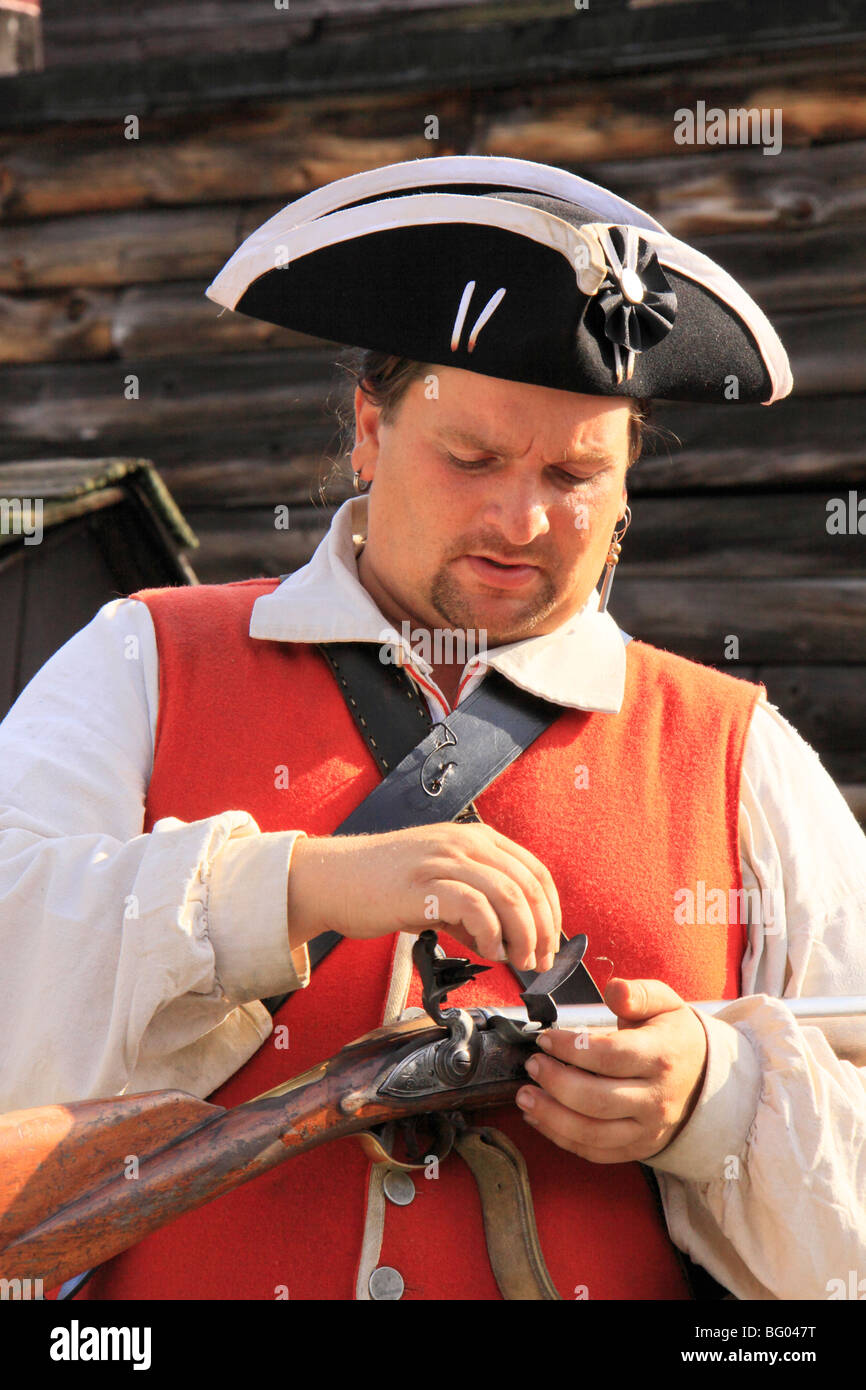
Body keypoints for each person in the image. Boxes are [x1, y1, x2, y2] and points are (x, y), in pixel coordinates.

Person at [1, 156, 864, 1301]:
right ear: (368, 427)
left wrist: (717, 1098)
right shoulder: (143, 655)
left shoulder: (734, 751)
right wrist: (291, 889)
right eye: (471, 458)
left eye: (574, 471)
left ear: (624, 489)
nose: (521, 518)